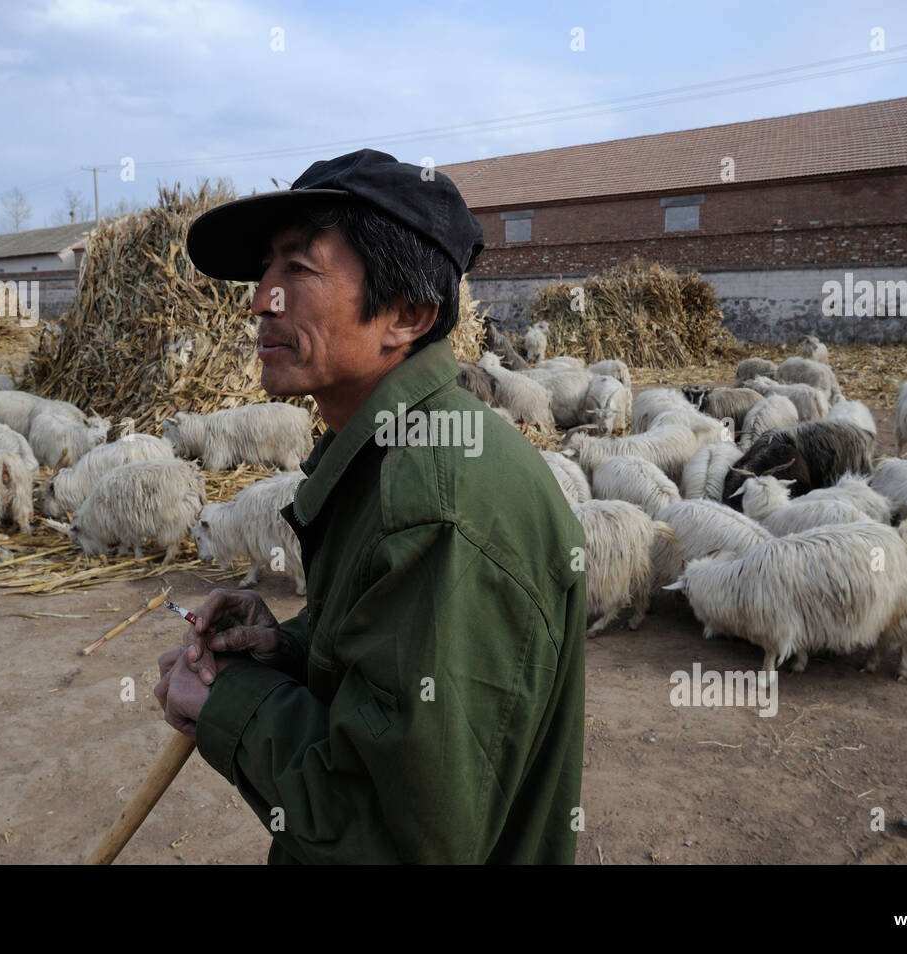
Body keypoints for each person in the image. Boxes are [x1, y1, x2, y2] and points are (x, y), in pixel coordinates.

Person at [154, 148, 586, 864]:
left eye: (298, 268)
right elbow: (387, 685)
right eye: (267, 269)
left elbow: (403, 837)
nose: (263, 297)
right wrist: (287, 651)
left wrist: (229, 707)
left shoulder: (437, 506)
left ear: (406, 314)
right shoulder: (385, 455)